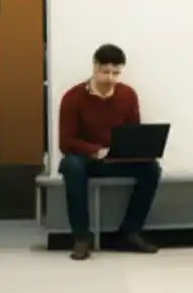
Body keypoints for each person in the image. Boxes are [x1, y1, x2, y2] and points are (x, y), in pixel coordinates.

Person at [58, 44, 161, 260]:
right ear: (94, 67)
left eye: (116, 73)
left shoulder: (127, 95)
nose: (111, 78)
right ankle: (81, 237)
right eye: (106, 72)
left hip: (116, 158)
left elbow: (133, 133)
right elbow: (66, 142)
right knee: (71, 165)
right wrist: (95, 151)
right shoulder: (73, 97)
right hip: (87, 160)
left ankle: (130, 231)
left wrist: (135, 151)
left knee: (151, 169)